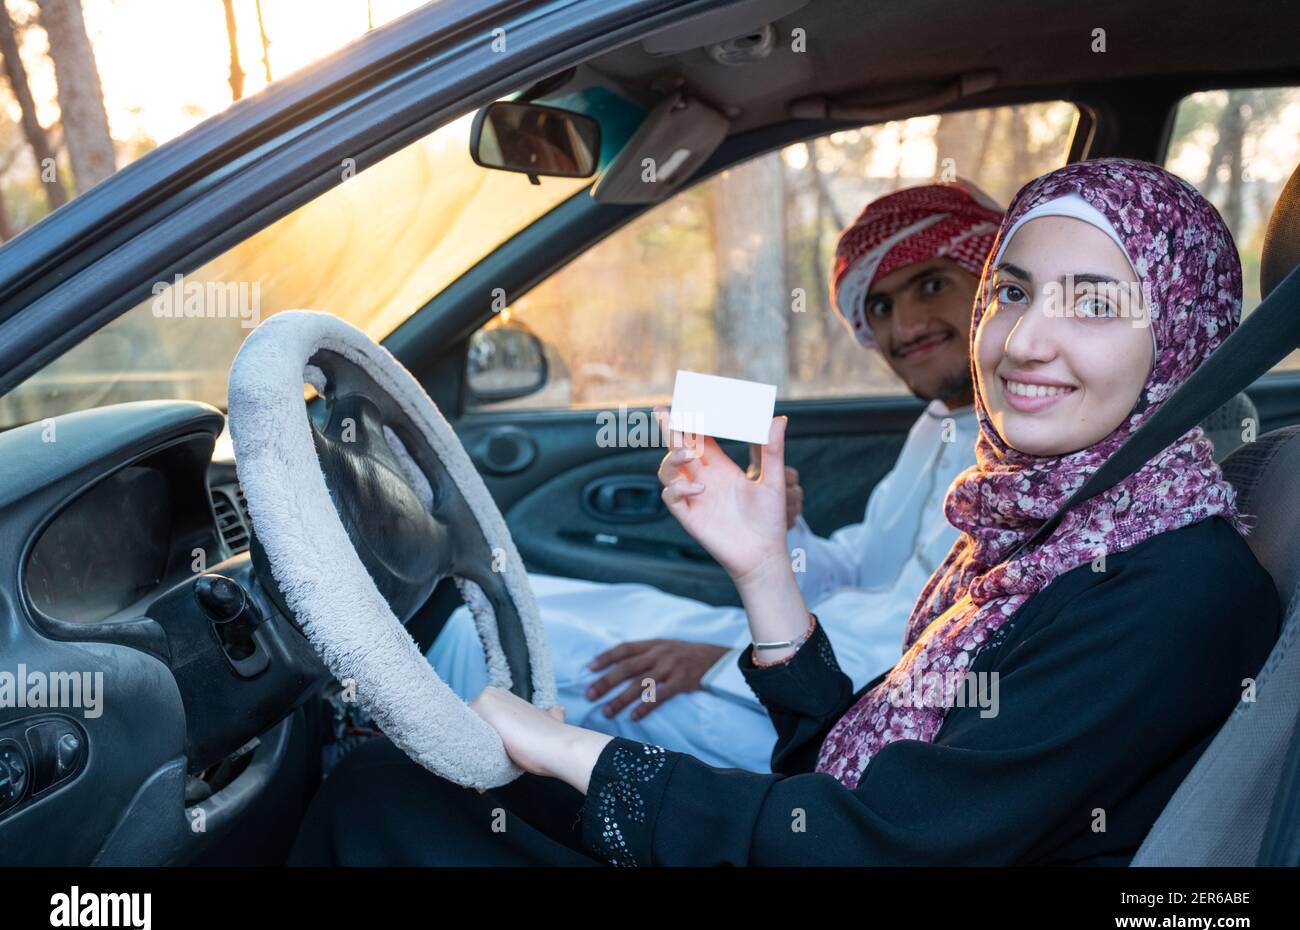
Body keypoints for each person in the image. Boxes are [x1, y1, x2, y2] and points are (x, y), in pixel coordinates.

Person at [291, 157, 1280, 866]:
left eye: (1093, 304)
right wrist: (765, 568)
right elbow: (862, 773)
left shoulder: (1168, 583)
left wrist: (566, 746)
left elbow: (871, 842)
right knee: (398, 790)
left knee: (383, 803)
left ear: (1185, 333)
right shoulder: (1042, 516)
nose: (1021, 340)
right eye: (1012, 291)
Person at [426, 182, 1002, 771]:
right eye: (880, 307)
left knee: (492, 653)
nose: (904, 328)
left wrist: (726, 661)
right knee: (511, 607)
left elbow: (932, 643)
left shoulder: (1022, 452)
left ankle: (417, 792)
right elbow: (860, 574)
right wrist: (783, 530)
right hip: (823, 647)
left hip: (858, 712)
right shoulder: (942, 421)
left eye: (932, 285)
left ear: (991, 282)